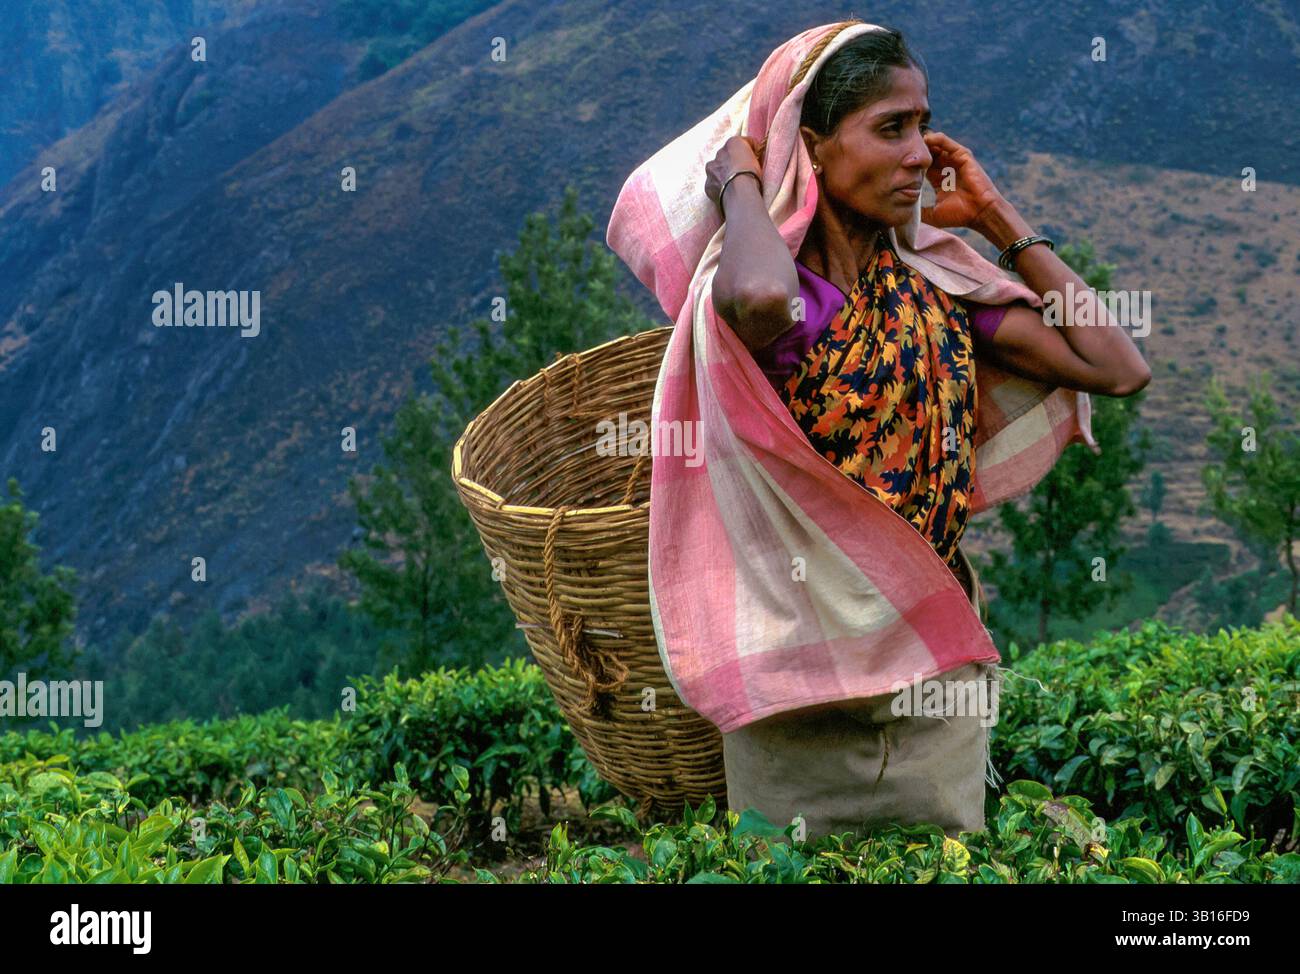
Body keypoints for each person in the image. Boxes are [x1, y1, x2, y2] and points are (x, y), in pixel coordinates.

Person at [701, 25, 1150, 840]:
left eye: (922, 125)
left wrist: (992, 214)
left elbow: (1116, 365)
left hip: (929, 675)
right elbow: (760, 295)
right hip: (800, 682)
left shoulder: (938, 292)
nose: (919, 155)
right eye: (889, 127)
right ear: (814, 147)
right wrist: (741, 180)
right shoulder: (783, 300)